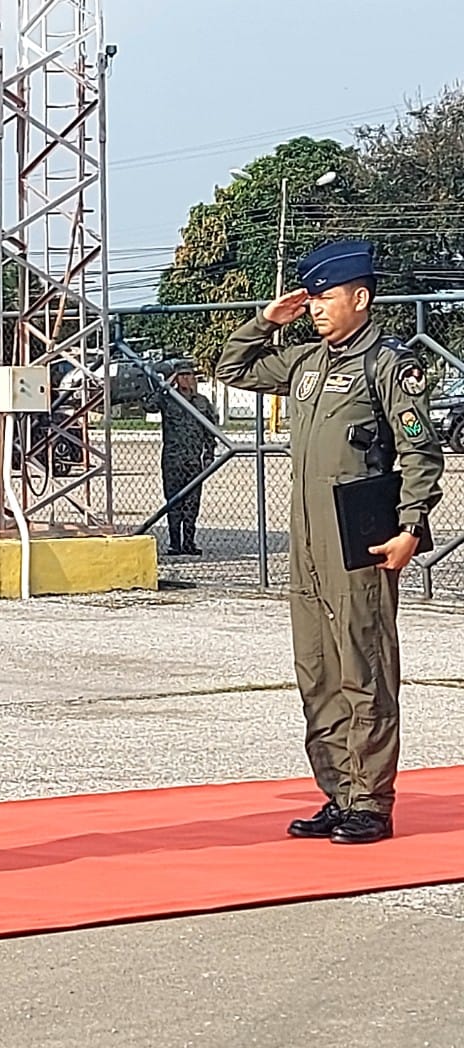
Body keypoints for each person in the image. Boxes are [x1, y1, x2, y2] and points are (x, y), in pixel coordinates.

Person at [215, 240, 445, 844]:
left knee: (363, 668)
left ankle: (371, 800)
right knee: (316, 670)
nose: (315, 307)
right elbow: (231, 368)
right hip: (308, 543)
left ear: (360, 298)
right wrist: (268, 320)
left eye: (326, 297)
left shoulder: (390, 365)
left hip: (360, 542)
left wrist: (411, 529)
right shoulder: (306, 363)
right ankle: (338, 793)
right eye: (311, 297)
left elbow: (421, 454)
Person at [148, 358, 218, 555]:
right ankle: (175, 543)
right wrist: (165, 387)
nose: (187, 379)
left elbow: (210, 431)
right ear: (176, 378)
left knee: (192, 503)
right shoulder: (168, 399)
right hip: (173, 459)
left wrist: (209, 455)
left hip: (193, 460)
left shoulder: (202, 402)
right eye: (182, 376)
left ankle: (189, 542)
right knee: (173, 502)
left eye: (190, 375)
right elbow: (149, 406)